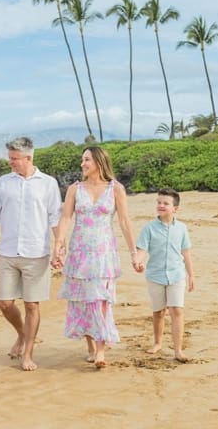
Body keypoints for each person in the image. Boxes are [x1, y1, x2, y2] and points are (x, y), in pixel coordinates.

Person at [0, 137, 62, 371]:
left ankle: (28, 353)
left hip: (37, 253)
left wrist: (59, 246)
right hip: (8, 252)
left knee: (32, 305)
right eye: (10, 158)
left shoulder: (48, 183)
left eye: (14, 159)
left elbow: (55, 217)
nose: (11, 163)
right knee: (5, 303)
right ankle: (22, 333)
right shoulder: (4, 183)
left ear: (28, 158)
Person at [52, 146, 136, 369]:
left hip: (104, 254)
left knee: (101, 300)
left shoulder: (115, 188)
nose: (82, 164)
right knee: (82, 301)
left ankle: (100, 350)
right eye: (82, 160)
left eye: (86, 160)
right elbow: (66, 218)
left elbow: (125, 222)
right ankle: (91, 345)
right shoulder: (74, 189)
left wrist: (134, 252)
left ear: (99, 162)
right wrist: (58, 244)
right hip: (79, 253)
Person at [133, 188, 195, 363]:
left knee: (177, 311)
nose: (161, 205)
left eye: (165, 203)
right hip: (155, 275)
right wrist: (137, 261)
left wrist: (191, 275)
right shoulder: (149, 228)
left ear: (175, 208)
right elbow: (142, 249)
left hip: (177, 275)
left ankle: (178, 350)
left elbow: (186, 253)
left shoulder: (182, 228)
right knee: (158, 312)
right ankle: (158, 343)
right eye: (159, 202)